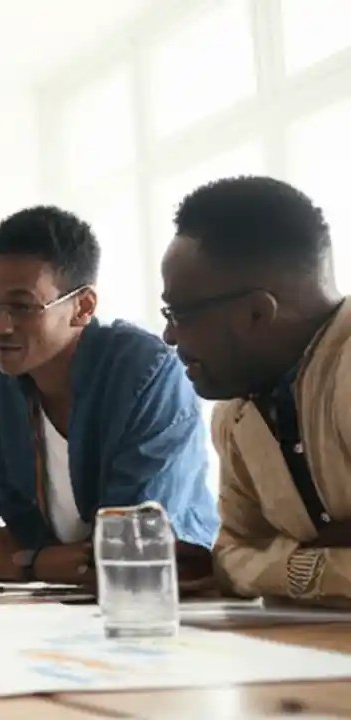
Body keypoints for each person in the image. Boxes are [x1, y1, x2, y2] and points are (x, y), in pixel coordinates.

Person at [0, 206, 218, 584]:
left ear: (82, 307)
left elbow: (138, 550)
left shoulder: (145, 372)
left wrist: (20, 563)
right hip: (50, 604)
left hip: (168, 600)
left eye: (22, 306)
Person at [161, 176, 351, 606]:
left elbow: (240, 566)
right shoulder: (236, 412)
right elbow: (230, 553)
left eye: (179, 314)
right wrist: (320, 557)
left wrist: (283, 563)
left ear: (257, 313)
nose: (168, 336)